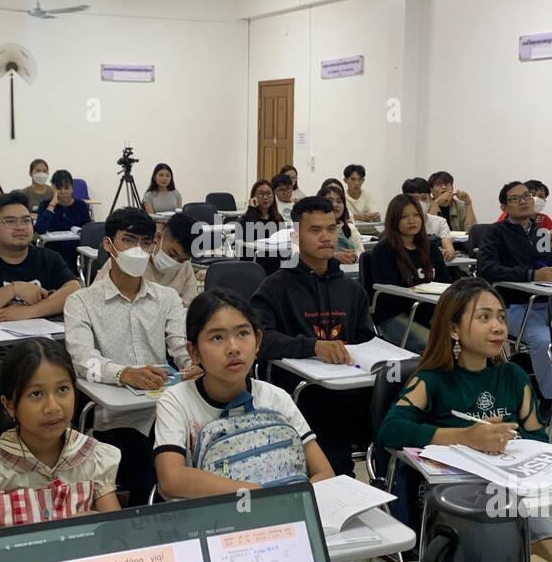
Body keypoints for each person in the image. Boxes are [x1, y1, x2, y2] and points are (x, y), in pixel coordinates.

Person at [379, 278, 552, 562]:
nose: (498, 327)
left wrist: (515, 441)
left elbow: (537, 435)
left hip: (509, 483)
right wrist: (465, 437)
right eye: (484, 317)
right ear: (454, 329)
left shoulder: (513, 376)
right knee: (501, 547)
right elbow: (390, 430)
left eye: (500, 317)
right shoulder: (433, 379)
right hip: (450, 491)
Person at [63, 207, 194, 503]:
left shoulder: (167, 298)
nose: (138, 250)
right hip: (113, 418)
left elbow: (181, 345)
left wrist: (193, 366)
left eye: (145, 243)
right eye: (128, 240)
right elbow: (84, 360)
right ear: (108, 245)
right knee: (152, 472)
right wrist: (124, 374)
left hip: (166, 411)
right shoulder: (81, 302)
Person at [154, 289, 335, 497]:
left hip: (284, 517)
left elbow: (324, 473)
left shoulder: (275, 397)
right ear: (194, 352)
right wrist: (259, 496)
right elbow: (171, 479)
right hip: (213, 521)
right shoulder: (176, 401)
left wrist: (289, 505)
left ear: (257, 341)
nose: (233, 348)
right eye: (217, 337)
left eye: (242, 334)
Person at [251, 196, 377, 475]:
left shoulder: (352, 290)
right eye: (315, 230)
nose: (325, 237)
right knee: (331, 434)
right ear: (296, 234)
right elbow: (259, 341)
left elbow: (367, 341)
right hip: (300, 395)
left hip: (349, 390)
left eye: (331, 229)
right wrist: (313, 346)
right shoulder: (275, 287)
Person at [0, 338, 122, 530]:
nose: (53, 407)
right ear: (9, 404)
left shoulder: (93, 457)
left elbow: (115, 539)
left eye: (62, 389)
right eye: (36, 394)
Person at [476, 181, 552, 402]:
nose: (523, 201)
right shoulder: (495, 232)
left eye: (527, 196)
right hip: (514, 307)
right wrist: (530, 275)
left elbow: (548, 262)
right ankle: (551, 400)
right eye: (515, 198)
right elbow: (487, 268)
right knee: (544, 341)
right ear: (504, 207)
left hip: (548, 304)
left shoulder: (540, 233)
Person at [0, 191, 81, 322]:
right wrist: (13, 290)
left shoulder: (48, 258)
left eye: (26, 220)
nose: (20, 227)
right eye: (10, 221)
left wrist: (29, 311)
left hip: (45, 339)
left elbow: (74, 290)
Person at [365, 194, 456, 352]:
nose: (412, 220)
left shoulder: (430, 248)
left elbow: (445, 282)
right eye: (404, 217)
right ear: (394, 220)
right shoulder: (384, 250)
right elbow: (390, 294)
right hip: (396, 316)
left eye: (416, 215)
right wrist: (422, 300)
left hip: (430, 312)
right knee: (435, 347)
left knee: (472, 337)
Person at [497, 179, 552, 252]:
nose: (536, 199)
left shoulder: (544, 219)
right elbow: (511, 245)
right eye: (531, 195)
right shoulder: (508, 217)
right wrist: (549, 236)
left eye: (541, 196)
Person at [147, 211, 201, 305]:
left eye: (181, 260)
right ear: (158, 237)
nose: (174, 262)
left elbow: (190, 303)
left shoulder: (185, 267)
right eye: (172, 254)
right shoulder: (138, 262)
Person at [400, 178, 456, 260]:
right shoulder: (400, 222)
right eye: (415, 199)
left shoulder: (440, 222)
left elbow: (450, 250)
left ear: (430, 199)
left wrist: (446, 253)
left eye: (424, 198)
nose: (419, 203)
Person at [319, 181, 364, 262]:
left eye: (339, 201)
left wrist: (354, 257)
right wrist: (332, 258)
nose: (335, 205)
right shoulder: (313, 229)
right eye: (330, 200)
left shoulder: (350, 228)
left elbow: (362, 253)